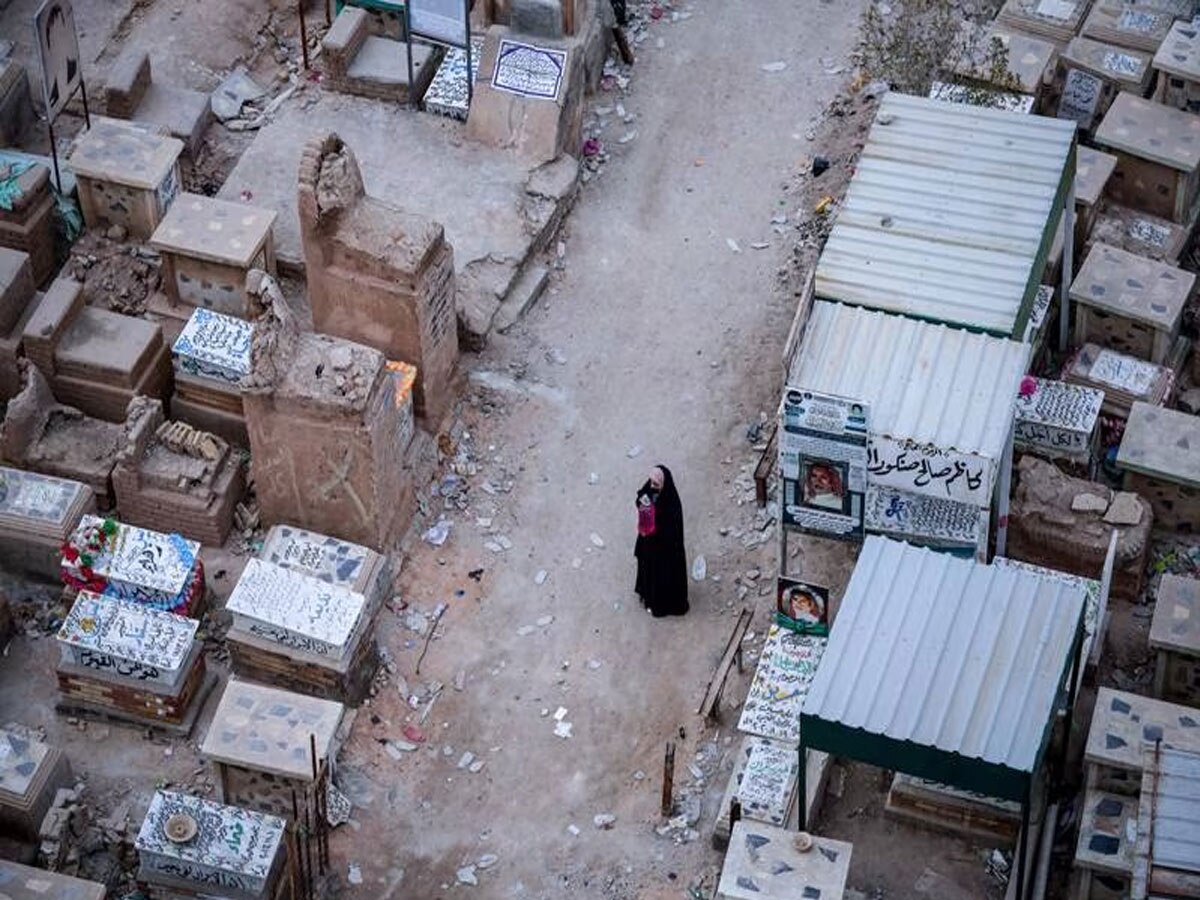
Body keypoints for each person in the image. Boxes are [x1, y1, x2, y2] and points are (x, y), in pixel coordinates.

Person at [634, 465, 689, 618]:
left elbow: (672, 531)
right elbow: (641, 496)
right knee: (649, 572)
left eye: (656, 485)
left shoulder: (672, 504)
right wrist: (643, 503)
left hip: (666, 551)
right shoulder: (651, 488)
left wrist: (655, 519)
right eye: (651, 483)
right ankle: (649, 598)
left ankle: (664, 606)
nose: (652, 487)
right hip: (649, 544)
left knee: (664, 577)